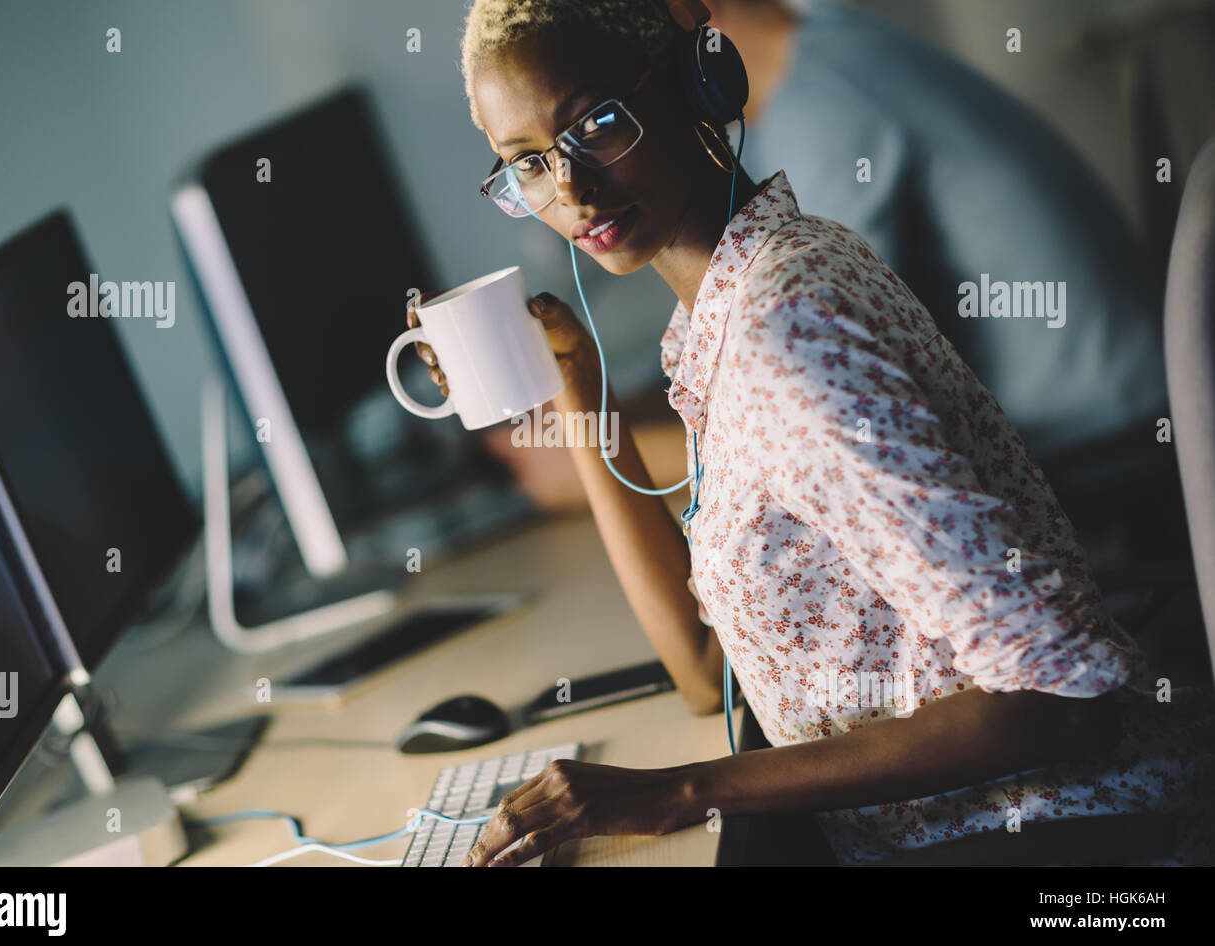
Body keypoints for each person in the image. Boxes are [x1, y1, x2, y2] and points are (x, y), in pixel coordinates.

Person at [419, 0, 1213, 866]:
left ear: (699, 79)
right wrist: (576, 382)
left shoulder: (782, 331)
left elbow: (1064, 699)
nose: (569, 189)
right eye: (527, 164)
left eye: (596, 123)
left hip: (1079, 844)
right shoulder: (734, 304)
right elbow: (702, 669)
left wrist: (680, 790)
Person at [478, 0, 1187, 568]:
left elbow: (832, 394)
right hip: (1111, 425)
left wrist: (590, 452)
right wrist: (599, 395)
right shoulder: (828, 46)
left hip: (1114, 464)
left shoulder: (824, 113)